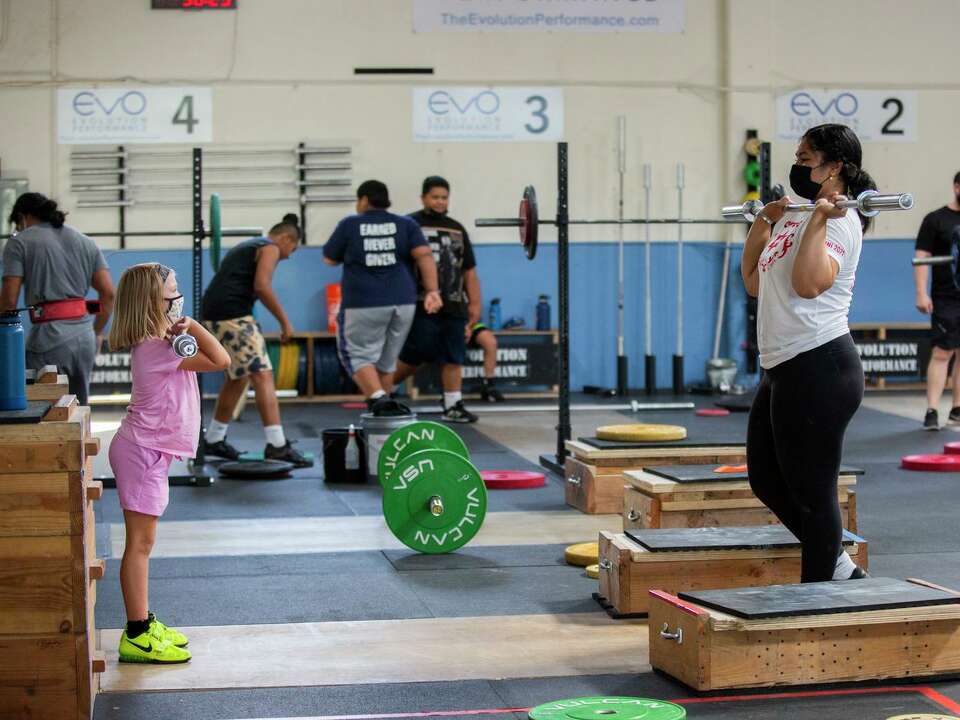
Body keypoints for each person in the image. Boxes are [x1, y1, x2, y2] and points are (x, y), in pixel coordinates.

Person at [740, 123, 871, 584]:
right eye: (796, 157)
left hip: (820, 366)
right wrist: (764, 219)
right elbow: (754, 281)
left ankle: (820, 600)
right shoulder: (797, 214)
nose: (797, 166)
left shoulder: (842, 221)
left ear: (835, 167)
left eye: (805, 159)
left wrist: (819, 217)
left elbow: (808, 284)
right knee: (766, 480)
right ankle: (835, 561)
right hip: (782, 368)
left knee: (815, 495)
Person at [107, 263, 230, 663]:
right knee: (140, 546)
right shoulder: (157, 347)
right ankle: (137, 633)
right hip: (142, 451)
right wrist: (192, 326)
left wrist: (185, 328)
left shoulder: (161, 341)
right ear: (153, 300)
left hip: (147, 450)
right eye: (172, 292)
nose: (178, 299)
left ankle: (143, 620)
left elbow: (216, 361)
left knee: (144, 543)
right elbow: (222, 360)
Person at [200, 216, 311, 466]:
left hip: (214, 315)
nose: (288, 256)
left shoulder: (249, 246)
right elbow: (262, 286)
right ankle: (277, 444)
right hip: (233, 315)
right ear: (285, 239)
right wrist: (285, 322)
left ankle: (214, 439)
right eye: (291, 250)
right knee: (262, 374)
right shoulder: (269, 246)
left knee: (238, 377)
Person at [323, 180, 441, 410]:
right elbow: (425, 256)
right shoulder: (406, 224)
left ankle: (379, 400)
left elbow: (329, 259)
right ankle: (385, 423)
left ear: (364, 200)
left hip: (363, 302)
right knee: (387, 362)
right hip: (404, 302)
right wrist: (433, 291)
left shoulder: (350, 224)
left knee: (355, 355)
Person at [1, 193, 115, 404]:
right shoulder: (86, 242)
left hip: (48, 340)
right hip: (84, 338)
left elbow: (8, 301)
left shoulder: (20, 243)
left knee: (41, 408)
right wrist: (97, 332)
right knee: (78, 408)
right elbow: (108, 294)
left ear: (22, 217)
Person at [392, 176, 484, 422]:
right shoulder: (409, 225)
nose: (440, 202)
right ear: (423, 198)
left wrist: (475, 304)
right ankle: (381, 391)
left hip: (454, 303)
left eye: (444, 197)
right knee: (416, 354)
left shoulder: (457, 228)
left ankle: (453, 405)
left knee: (454, 355)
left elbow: (469, 271)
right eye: (435, 197)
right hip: (420, 303)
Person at [913, 172, 960, 430]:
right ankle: (932, 410)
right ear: (956, 187)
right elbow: (921, 257)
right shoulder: (935, 220)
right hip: (946, 297)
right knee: (943, 352)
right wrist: (921, 292)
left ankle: (957, 408)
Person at [466, 321, 505, 402]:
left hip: (471, 325)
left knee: (490, 342)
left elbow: (475, 314)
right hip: (450, 324)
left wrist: (467, 327)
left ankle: (489, 385)